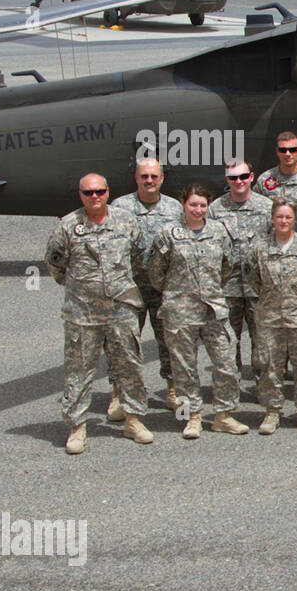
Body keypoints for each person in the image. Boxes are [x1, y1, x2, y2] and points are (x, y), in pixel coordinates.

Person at [46, 173, 154, 453]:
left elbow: (139, 258)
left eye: (99, 192)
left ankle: (133, 420)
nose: (94, 197)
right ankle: (77, 428)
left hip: (121, 311)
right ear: (80, 195)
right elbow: (56, 265)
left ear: (108, 192)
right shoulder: (68, 226)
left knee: (130, 367)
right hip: (83, 315)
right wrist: (82, 288)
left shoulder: (126, 221)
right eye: (88, 193)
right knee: (79, 372)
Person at [146, 183, 248, 438]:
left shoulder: (218, 231)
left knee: (226, 364)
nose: (198, 209)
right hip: (180, 312)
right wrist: (177, 292)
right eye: (193, 204)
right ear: (183, 203)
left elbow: (228, 266)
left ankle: (224, 415)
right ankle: (192, 417)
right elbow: (155, 272)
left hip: (214, 310)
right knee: (184, 368)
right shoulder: (168, 233)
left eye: (203, 205)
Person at [247, 198, 297, 435]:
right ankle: (272, 411)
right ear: (272, 218)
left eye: (288, 217)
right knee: (269, 365)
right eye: (279, 216)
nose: (283, 221)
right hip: (269, 317)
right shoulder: (259, 248)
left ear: (295, 219)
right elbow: (254, 281)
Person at [109, 156, 182, 411]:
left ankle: (172, 389)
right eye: (144, 176)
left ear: (162, 179)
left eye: (154, 176)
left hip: (163, 289)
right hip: (131, 287)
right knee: (124, 342)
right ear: (136, 178)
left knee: (168, 341)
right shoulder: (119, 208)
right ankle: (119, 393)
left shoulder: (175, 209)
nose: (149, 180)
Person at [208, 159, 273, 378]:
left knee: (263, 342)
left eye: (244, 176)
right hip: (228, 287)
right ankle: (229, 390)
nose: (239, 181)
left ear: (252, 177)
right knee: (226, 342)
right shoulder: (216, 209)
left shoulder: (267, 207)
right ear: (227, 179)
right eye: (233, 178)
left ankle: (264, 391)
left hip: (259, 288)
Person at [256, 131, 297, 210]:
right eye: (283, 150)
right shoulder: (265, 179)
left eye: (293, 150)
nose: (287, 154)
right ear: (277, 152)